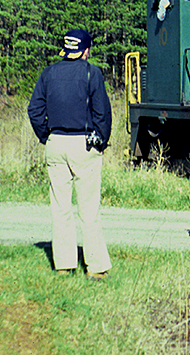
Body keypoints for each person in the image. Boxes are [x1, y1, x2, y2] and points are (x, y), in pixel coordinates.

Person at [28, 28, 113, 279]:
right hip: (83, 145)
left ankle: (64, 265)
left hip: (55, 143)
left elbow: (34, 110)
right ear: (85, 51)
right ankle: (95, 267)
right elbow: (102, 113)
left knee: (60, 208)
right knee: (88, 209)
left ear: (66, 49)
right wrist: (101, 141)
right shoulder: (92, 73)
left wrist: (46, 136)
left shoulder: (48, 73)